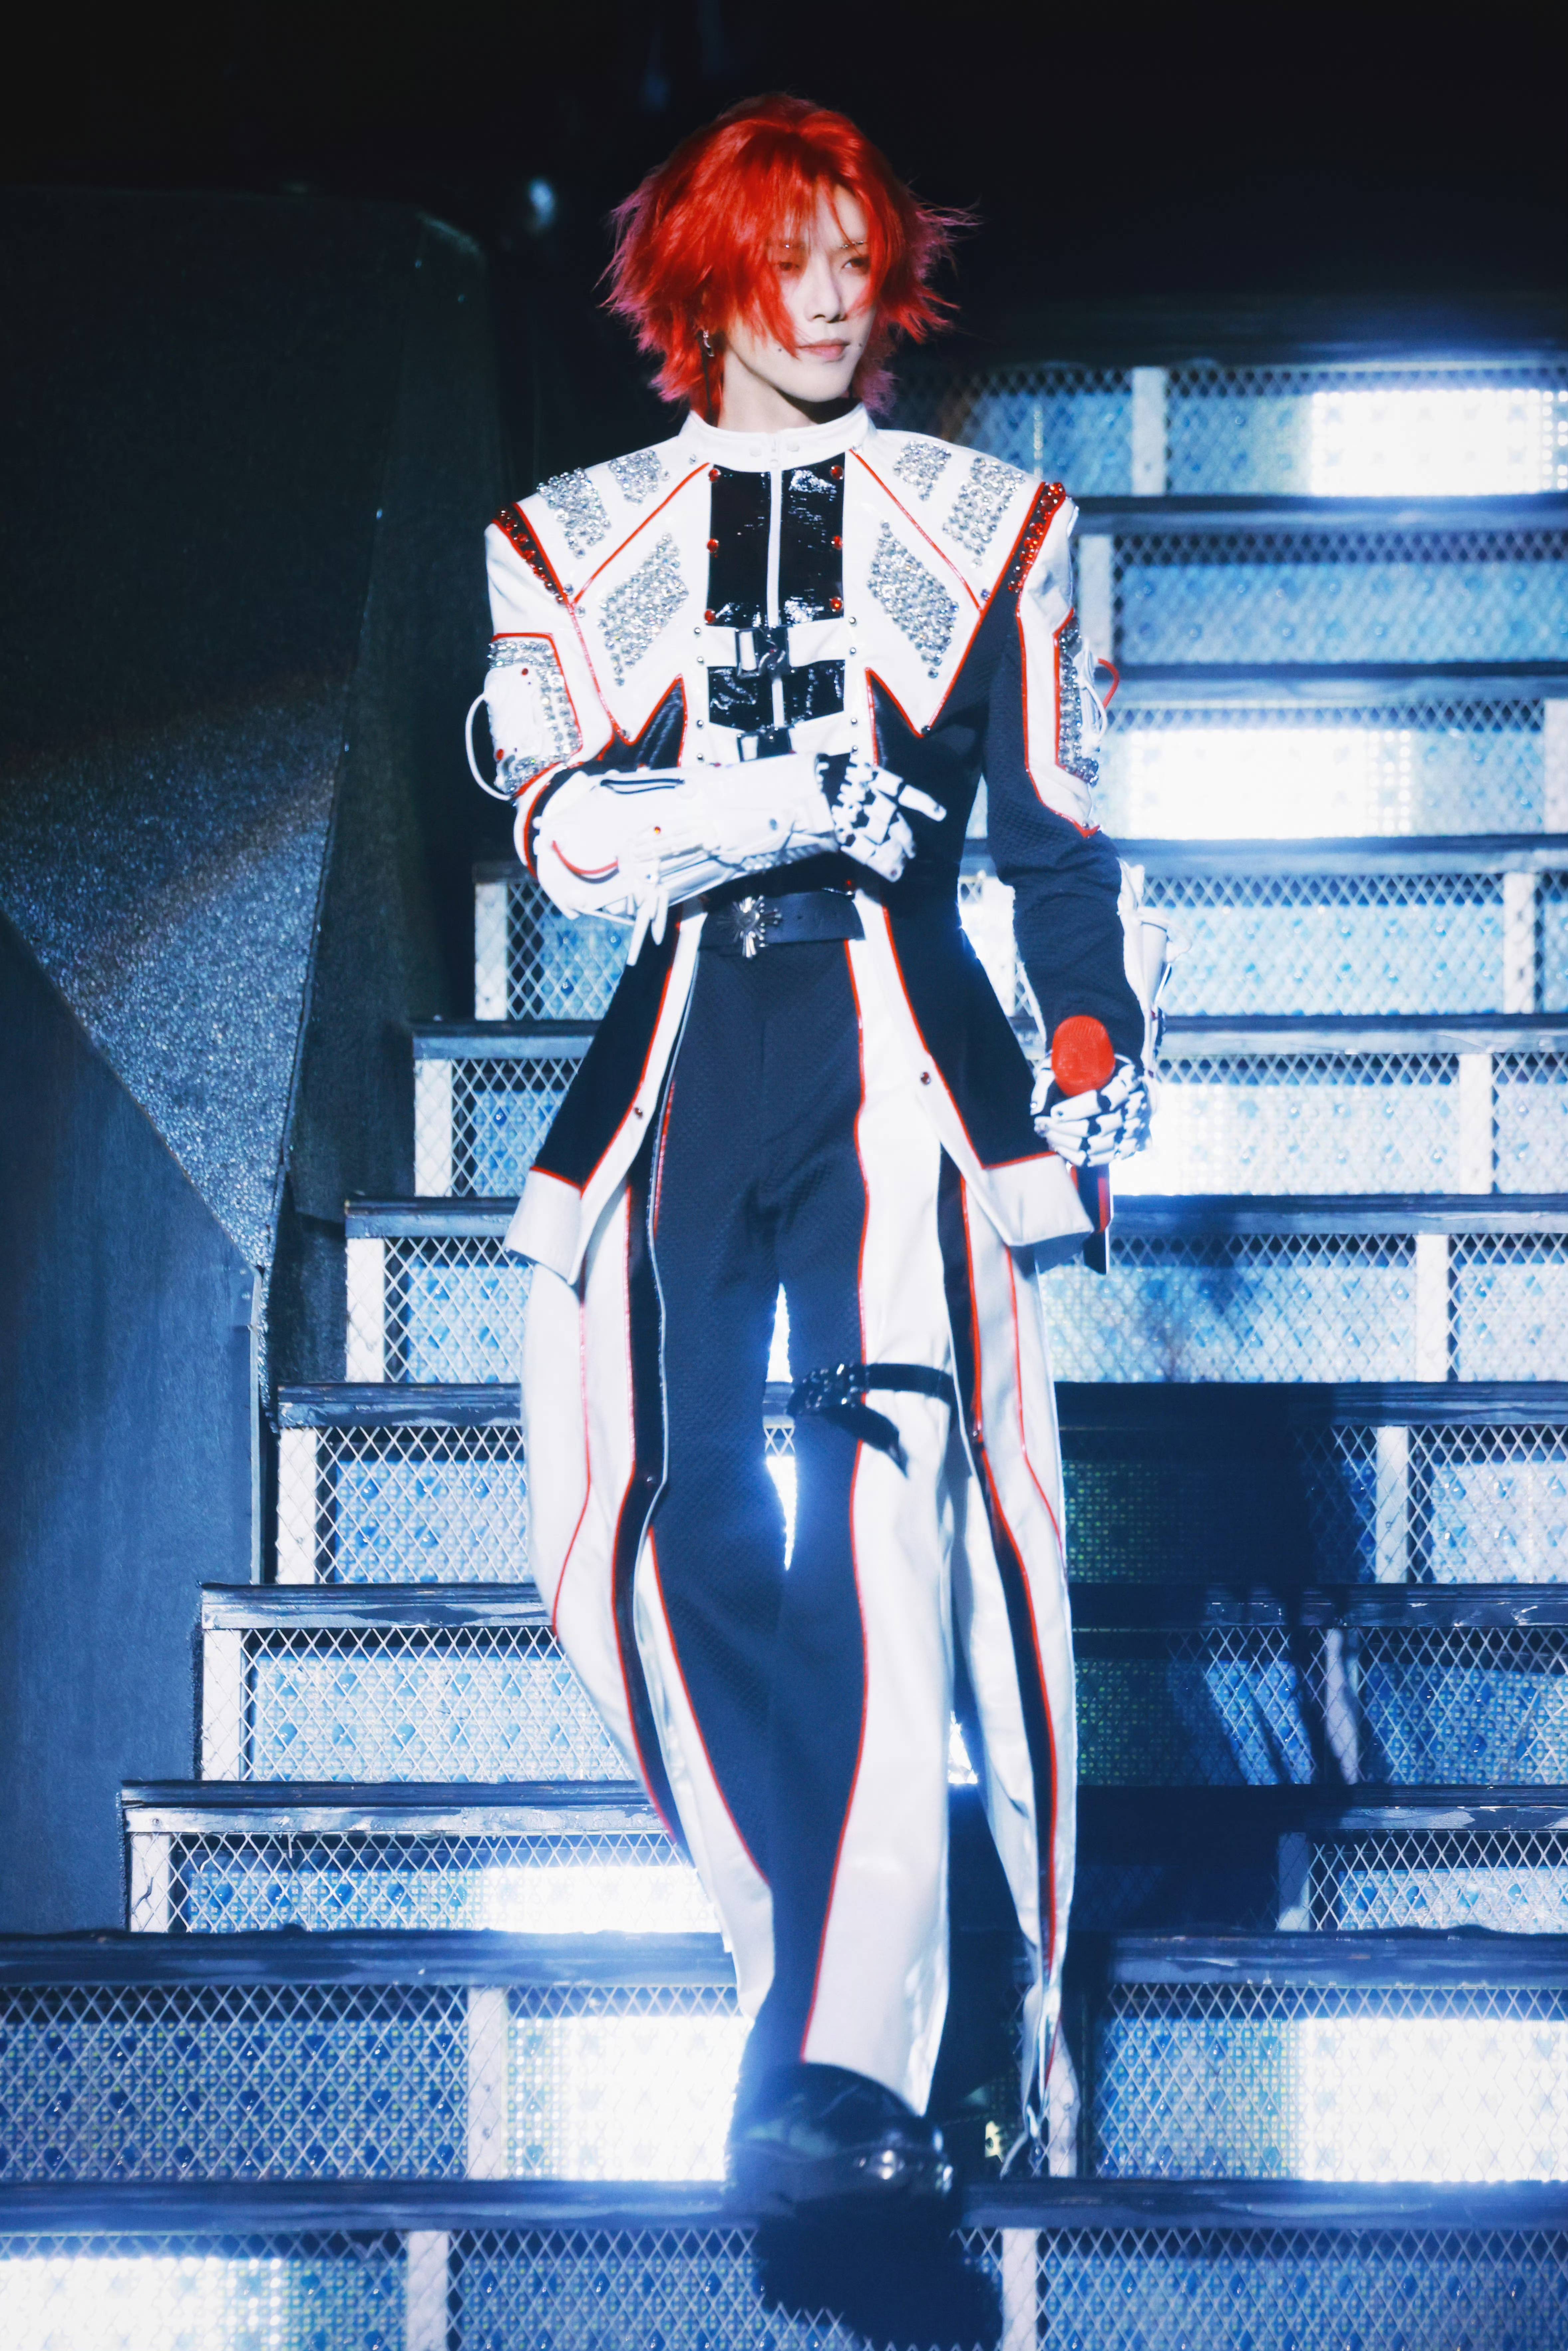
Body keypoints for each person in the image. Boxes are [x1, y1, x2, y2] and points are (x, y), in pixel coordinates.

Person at [469, 93, 1162, 2214]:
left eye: (860, 254)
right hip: (681, 1055)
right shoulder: (568, 539)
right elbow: (555, 831)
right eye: (791, 257)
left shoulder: (999, 525)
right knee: (649, 1545)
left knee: (889, 1499)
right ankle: (817, 1990)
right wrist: (743, 813)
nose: (836, 295)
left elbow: (1060, 847)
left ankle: (853, 2067)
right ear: (706, 284)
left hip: (901, 1045)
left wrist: (1092, 1040)